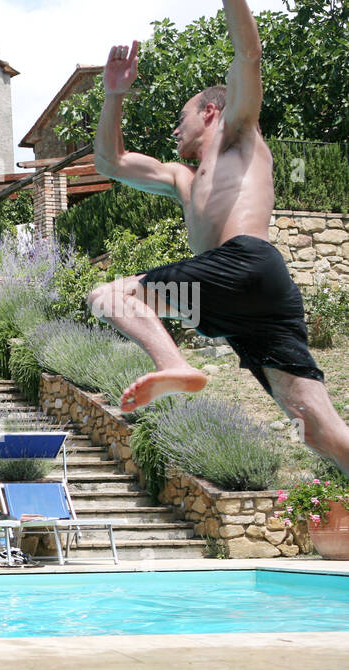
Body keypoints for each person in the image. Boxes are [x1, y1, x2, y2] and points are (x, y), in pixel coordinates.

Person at [87, 0, 349, 478]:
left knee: (110, 294)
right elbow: (110, 162)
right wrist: (112, 96)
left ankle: (174, 365)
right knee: (315, 428)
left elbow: (248, 57)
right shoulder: (182, 179)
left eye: (182, 117)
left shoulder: (237, 132)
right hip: (250, 303)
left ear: (210, 111)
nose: (174, 129)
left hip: (246, 261)